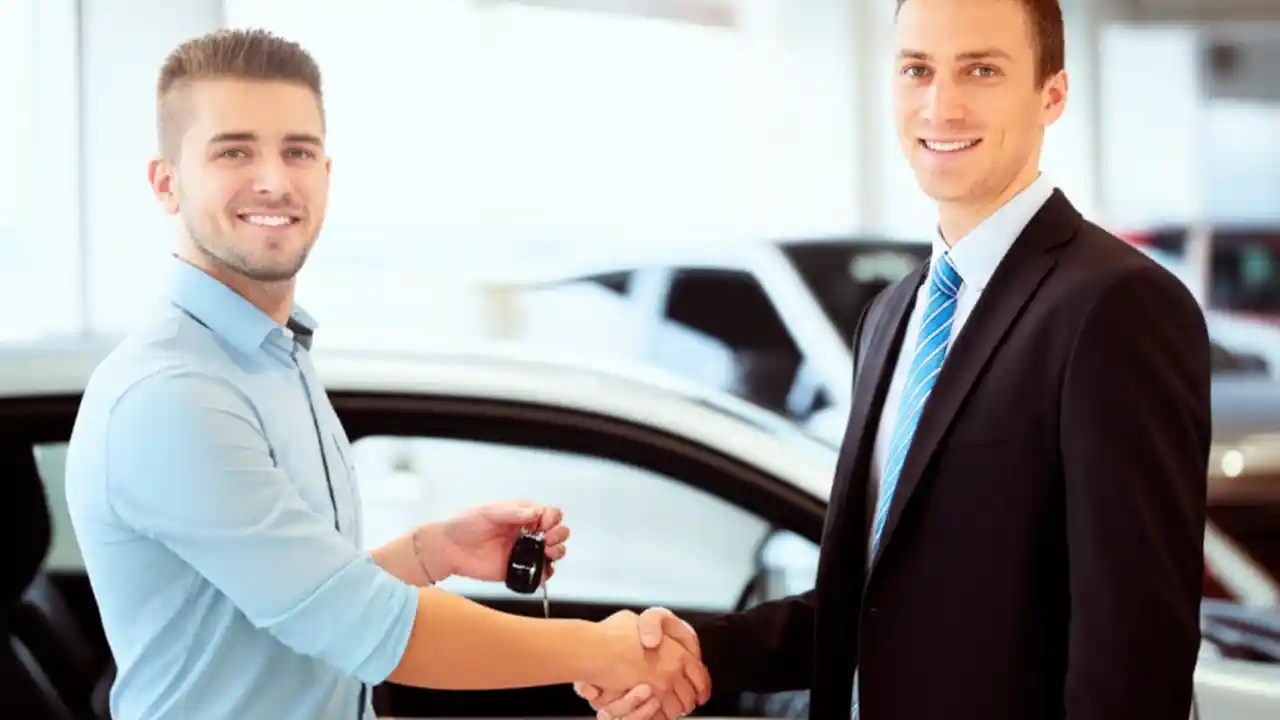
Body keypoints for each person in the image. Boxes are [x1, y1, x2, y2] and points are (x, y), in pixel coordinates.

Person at [576, 0, 1211, 718]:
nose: (941, 105)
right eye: (917, 70)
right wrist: (703, 652)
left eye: (981, 70)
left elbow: (1134, 652)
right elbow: (878, 601)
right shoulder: (892, 315)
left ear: (1052, 93)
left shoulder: (1118, 306)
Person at [63, 29, 709, 720]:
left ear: (326, 173)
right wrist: (601, 650)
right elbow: (356, 622)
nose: (274, 180)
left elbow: (293, 602)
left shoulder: (271, 356)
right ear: (166, 183)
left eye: (297, 151)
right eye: (234, 151)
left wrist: (435, 551)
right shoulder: (172, 395)